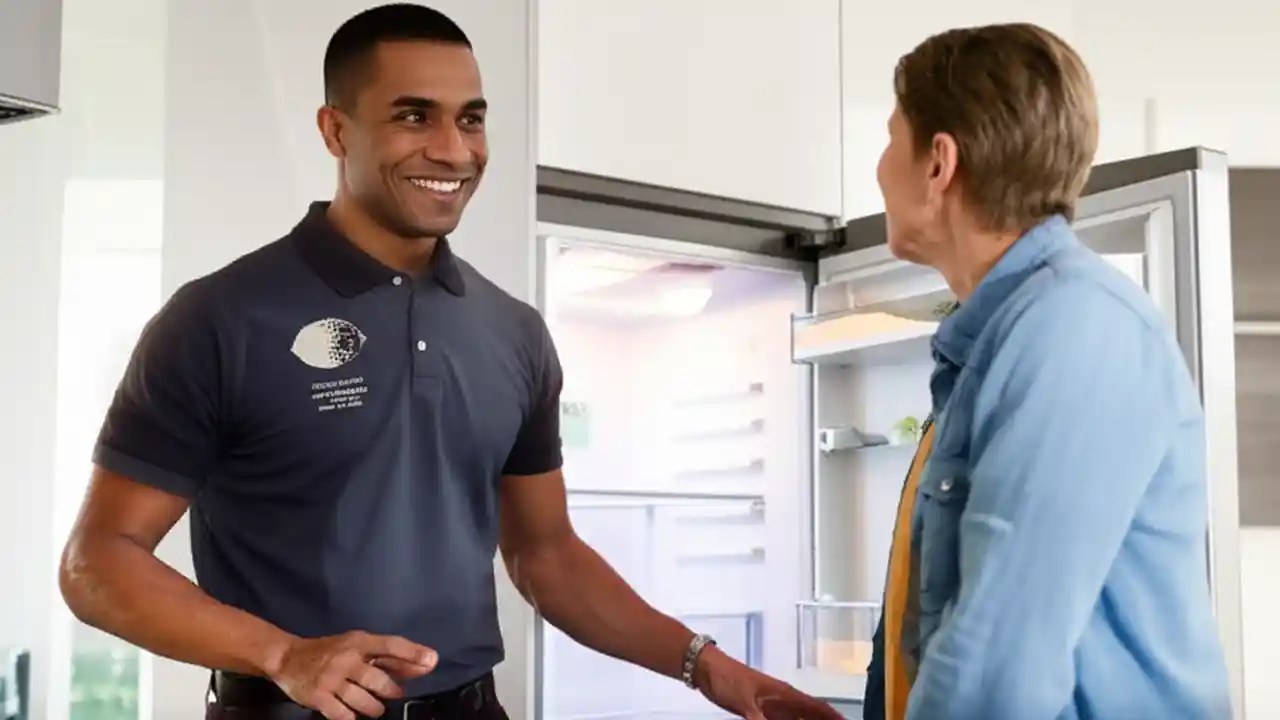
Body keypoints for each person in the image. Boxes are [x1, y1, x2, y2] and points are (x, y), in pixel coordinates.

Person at [56, 5, 843, 720]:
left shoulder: (514, 332)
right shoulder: (220, 317)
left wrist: (709, 669)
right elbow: (96, 563)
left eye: (471, 119)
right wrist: (283, 655)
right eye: (412, 117)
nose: (454, 149)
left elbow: (546, 554)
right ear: (335, 131)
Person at [862, 22, 1232, 720]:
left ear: (939, 163)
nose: (880, 167)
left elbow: (997, 667)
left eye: (890, 138)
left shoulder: (1074, 328)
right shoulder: (1000, 340)